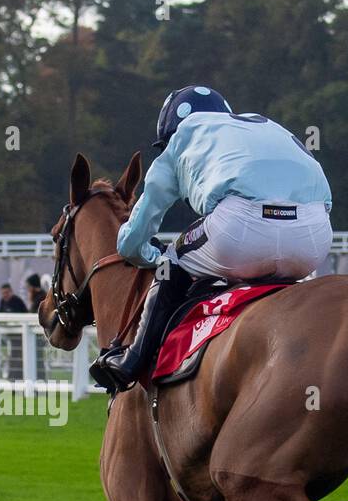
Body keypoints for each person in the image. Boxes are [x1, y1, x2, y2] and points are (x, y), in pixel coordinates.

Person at [89, 85, 333, 395]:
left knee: (173, 259)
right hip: (314, 235)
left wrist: (151, 255)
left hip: (242, 229)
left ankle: (131, 360)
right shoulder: (268, 126)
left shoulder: (183, 137)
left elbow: (132, 240)